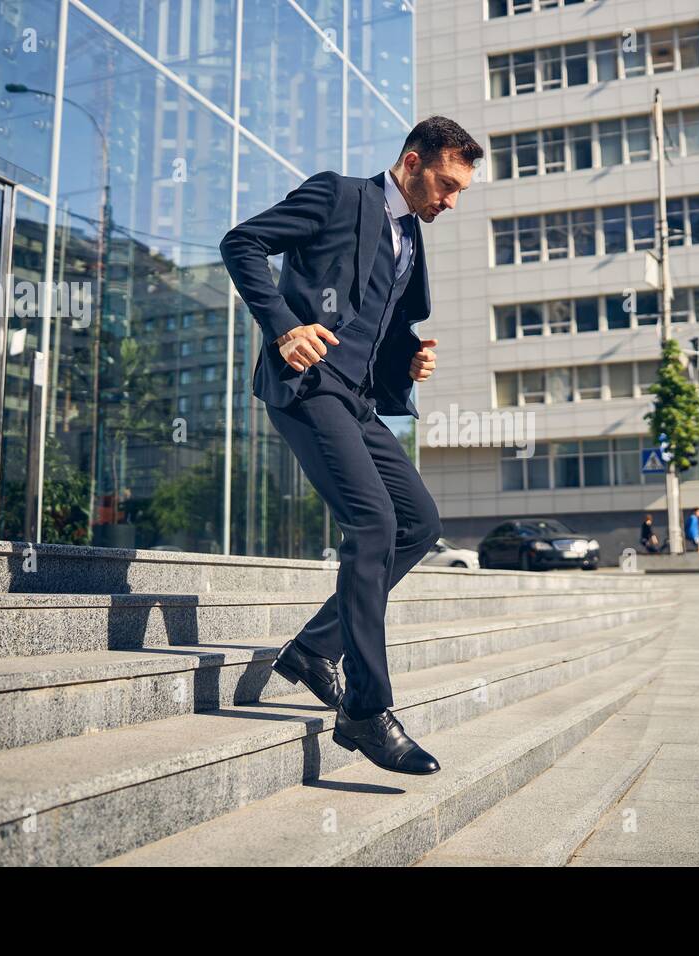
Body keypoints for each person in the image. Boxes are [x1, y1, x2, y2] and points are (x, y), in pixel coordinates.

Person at [220, 116, 483, 776]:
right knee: (372, 523)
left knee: (419, 524)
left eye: (459, 193)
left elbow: (384, 322)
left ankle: (313, 650)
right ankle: (366, 711)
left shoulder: (411, 242)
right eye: (446, 185)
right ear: (414, 162)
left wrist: (407, 363)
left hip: (360, 401)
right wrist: (283, 328)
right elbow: (242, 243)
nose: (449, 202)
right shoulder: (339, 196)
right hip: (309, 385)